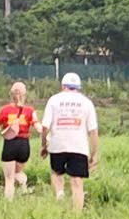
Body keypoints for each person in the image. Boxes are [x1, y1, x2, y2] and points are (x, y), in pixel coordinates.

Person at [40, 71, 99, 210]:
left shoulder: (54, 100)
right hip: (79, 147)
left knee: (56, 173)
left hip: (57, 145)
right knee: (77, 182)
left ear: (62, 86)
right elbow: (93, 131)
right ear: (78, 87)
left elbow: (45, 127)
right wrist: (94, 153)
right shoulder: (86, 102)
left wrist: (44, 145)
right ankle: (76, 216)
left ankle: (60, 194)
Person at [0, 80, 38, 198]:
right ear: (25, 94)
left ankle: (9, 203)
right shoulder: (30, 111)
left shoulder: (5, 110)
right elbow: (38, 126)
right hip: (24, 145)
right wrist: (46, 135)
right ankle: (23, 186)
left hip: (10, 144)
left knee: (9, 179)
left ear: (11, 94)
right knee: (18, 172)